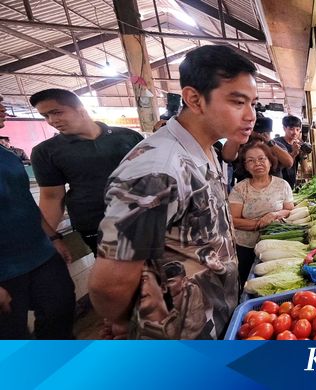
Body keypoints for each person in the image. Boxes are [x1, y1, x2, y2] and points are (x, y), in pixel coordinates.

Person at [88, 44, 258, 340]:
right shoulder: (157, 171)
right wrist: (119, 322)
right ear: (194, 99)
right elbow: (110, 283)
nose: (250, 115)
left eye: (253, 103)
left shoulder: (206, 151)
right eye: (238, 102)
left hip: (214, 320)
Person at [29, 89, 144, 255]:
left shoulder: (128, 137)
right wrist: (48, 238)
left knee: (161, 270)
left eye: (57, 112)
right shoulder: (45, 151)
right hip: (96, 224)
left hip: (141, 217)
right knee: (118, 275)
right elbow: (52, 197)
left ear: (80, 109)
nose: (52, 120)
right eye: (45, 116)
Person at [0, 94, 76, 339]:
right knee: (12, 334)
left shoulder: (8, 157)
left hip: (40, 255)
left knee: (60, 310)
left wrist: (53, 237)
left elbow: (25, 203)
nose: (3, 108)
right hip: (5, 269)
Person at [228, 142, 294, 287]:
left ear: (270, 161)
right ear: (245, 166)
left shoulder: (282, 185)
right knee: (248, 283)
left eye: (261, 159)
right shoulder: (239, 189)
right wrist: (259, 224)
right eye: (250, 161)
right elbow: (233, 220)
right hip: (246, 247)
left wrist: (274, 215)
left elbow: (289, 210)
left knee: (275, 282)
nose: (257, 163)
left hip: (276, 245)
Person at [224, 115, 293, 184]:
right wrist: (241, 134)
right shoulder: (240, 144)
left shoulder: (275, 145)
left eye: (265, 132)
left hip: (273, 188)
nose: (260, 135)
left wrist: (270, 143)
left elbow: (289, 163)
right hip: (247, 188)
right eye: (258, 132)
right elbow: (227, 157)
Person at [274, 115, 306, 189]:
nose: (295, 132)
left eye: (298, 130)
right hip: (278, 183)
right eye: (291, 129)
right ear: (284, 128)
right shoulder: (276, 143)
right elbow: (277, 166)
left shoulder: (298, 144)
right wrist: (294, 153)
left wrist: (303, 154)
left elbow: (305, 169)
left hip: (291, 184)